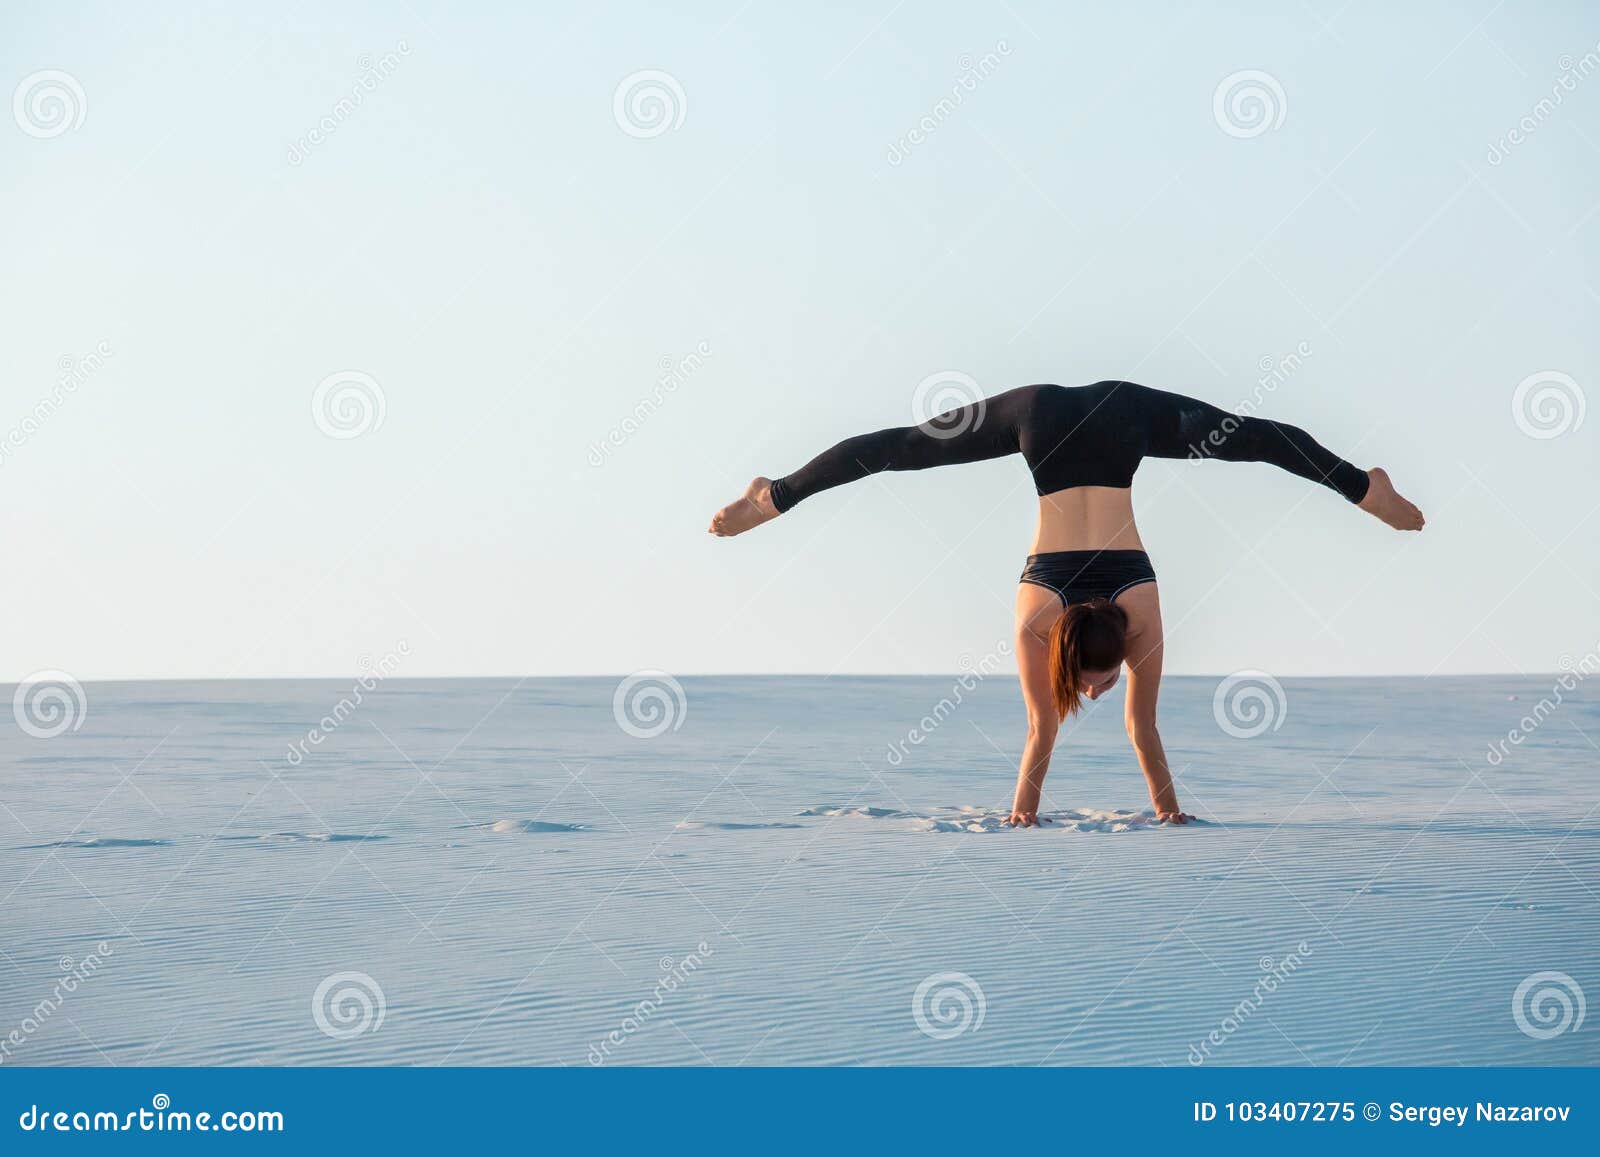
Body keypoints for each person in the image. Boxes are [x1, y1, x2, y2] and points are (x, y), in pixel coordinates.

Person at [708, 380, 1424, 827]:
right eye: (1101, 684)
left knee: (903, 446)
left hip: (1088, 414)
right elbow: (1066, 729)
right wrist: (1154, 813)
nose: (1095, 692)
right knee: (1257, 439)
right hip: (1073, 417)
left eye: (1092, 684)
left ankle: (772, 496)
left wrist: (1053, 812)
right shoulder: (1039, 618)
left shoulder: (1137, 608)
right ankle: (1368, 489)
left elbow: (1120, 728)